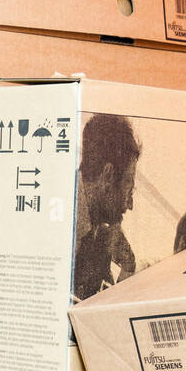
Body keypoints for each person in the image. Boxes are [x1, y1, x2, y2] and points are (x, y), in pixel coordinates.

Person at [73, 113, 141, 301]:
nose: (130, 204)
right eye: (129, 188)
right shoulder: (61, 222)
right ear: (108, 175)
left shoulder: (99, 235)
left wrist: (128, 266)